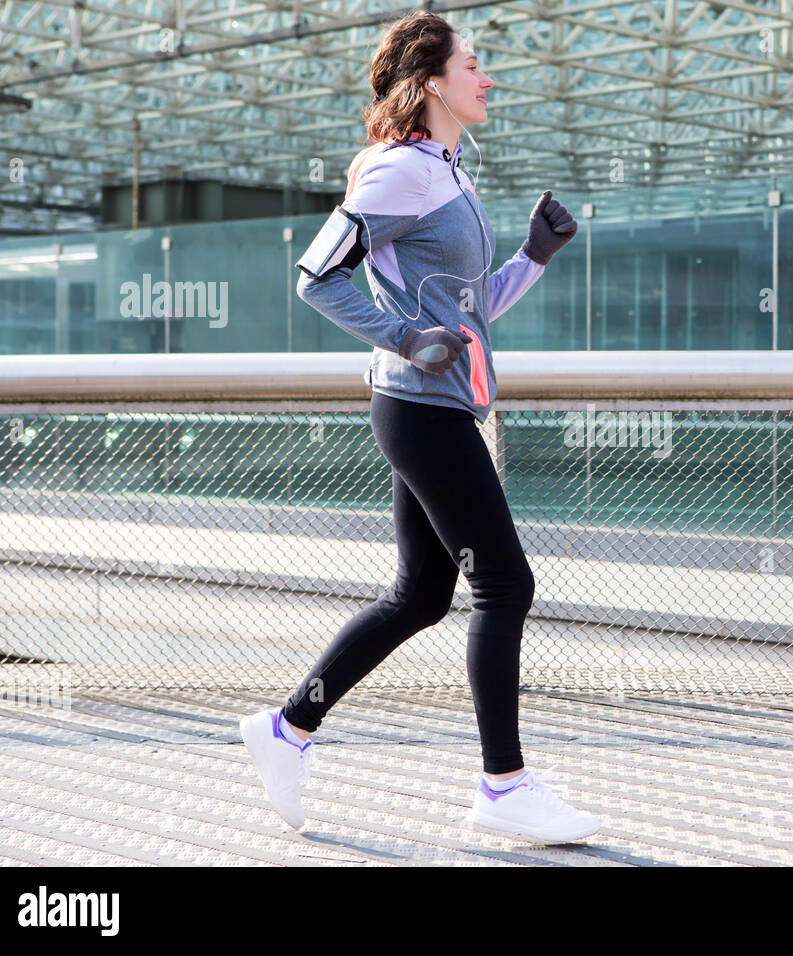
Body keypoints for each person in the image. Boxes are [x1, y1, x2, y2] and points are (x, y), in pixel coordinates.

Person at [238, 8, 598, 845]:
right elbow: (316, 276)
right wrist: (403, 337)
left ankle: (288, 728)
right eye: (475, 63)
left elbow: (467, 315)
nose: (488, 75)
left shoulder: (448, 170)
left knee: (419, 596)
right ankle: (504, 786)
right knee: (505, 586)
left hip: (432, 405)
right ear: (433, 81)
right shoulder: (401, 172)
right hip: (418, 409)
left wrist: (533, 257)